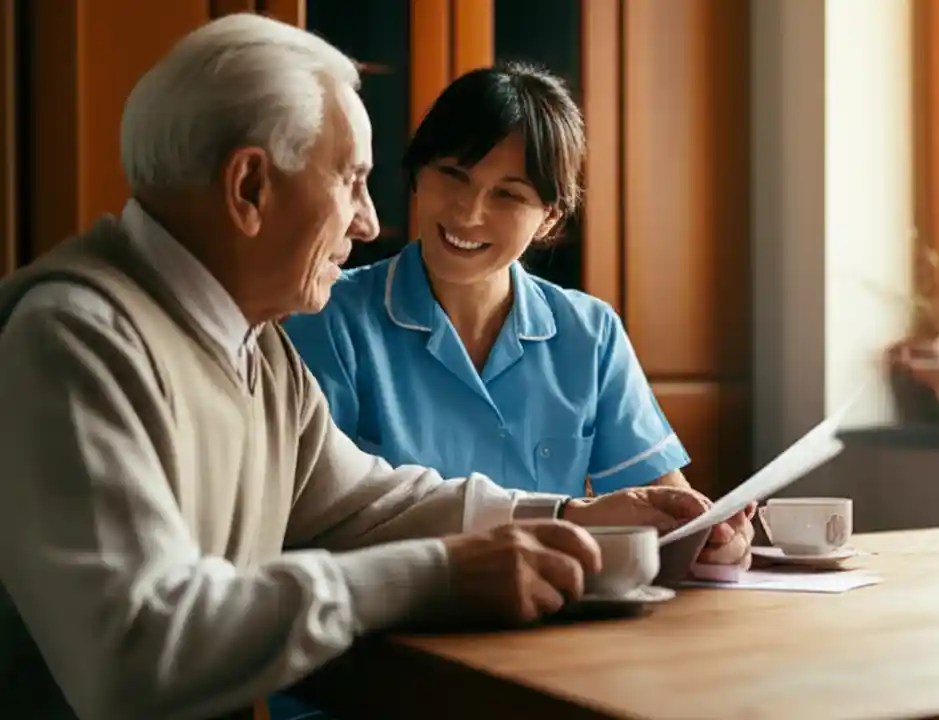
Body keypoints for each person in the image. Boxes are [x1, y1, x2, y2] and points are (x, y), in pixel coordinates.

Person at [0, 15, 717, 720]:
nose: (369, 222)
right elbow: (134, 652)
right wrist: (436, 574)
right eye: (350, 181)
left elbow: (371, 503)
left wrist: (567, 514)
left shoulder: (253, 347)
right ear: (250, 188)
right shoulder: (75, 339)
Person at [284, 63, 755, 569]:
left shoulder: (589, 333)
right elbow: (317, 522)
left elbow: (661, 509)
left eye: (507, 194)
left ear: (550, 216)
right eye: (453, 175)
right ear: (417, 175)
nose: (468, 212)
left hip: (556, 622)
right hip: (400, 621)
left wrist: (713, 536)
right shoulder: (327, 318)